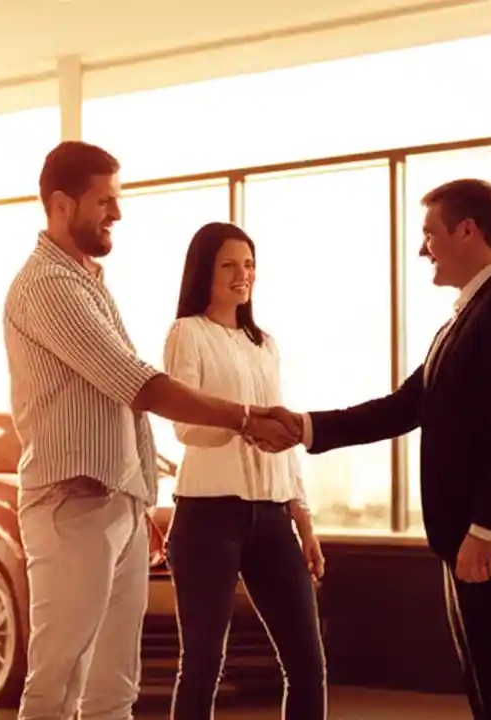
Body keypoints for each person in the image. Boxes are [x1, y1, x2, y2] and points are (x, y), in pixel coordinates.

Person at [2, 140, 300, 720]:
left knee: (116, 689)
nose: (117, 213)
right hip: (72, 507)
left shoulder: (89, 282)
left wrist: (139, 499)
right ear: (61, 205)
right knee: (58, 681)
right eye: (104, 201)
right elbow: (137, 385)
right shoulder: (49, 286)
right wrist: (243, 418)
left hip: (117, 507)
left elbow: (118, 409)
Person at [260, 179, 491, 719]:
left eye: (429, 233)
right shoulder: (465, 317)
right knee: (489, 684)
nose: (422, 247)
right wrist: (304, 427)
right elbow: (404, 406)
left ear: (467, 231)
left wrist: (488, 530)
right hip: (469, 539)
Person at [161, 222, 327, 720]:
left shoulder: (265, 344)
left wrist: (304, 520)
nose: (243, 274)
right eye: (229, 264)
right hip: (207, 516)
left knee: (307, 662)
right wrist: (243, 425)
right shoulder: (186, 333)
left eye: (249, 264)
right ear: (204, 271)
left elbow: (286, 434)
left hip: (274, 516)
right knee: (204, 662)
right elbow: (184, 427)